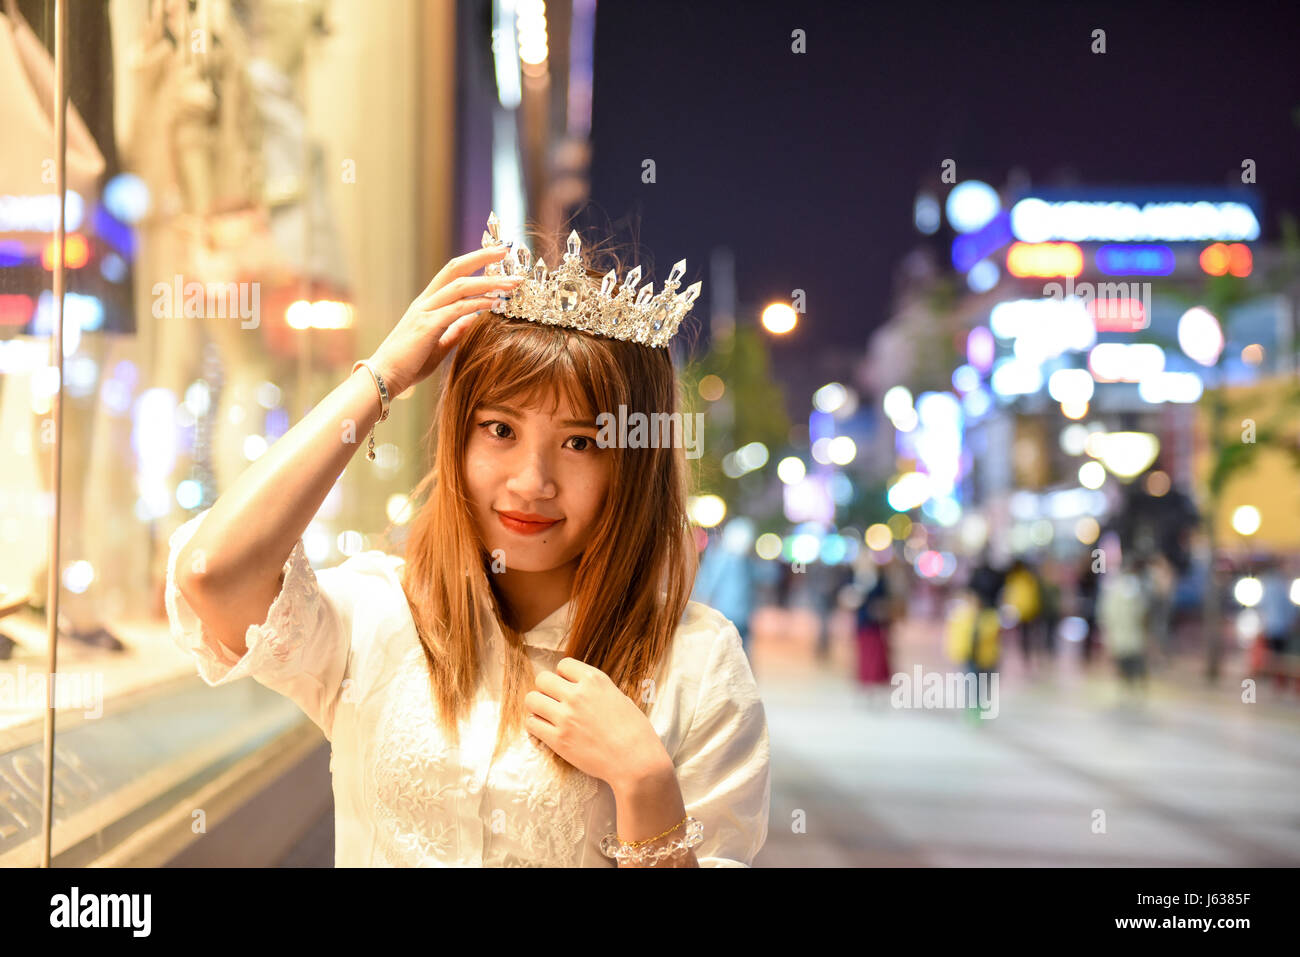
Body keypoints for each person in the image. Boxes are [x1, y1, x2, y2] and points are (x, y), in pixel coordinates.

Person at [165, 219, 771, 867]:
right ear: (458, 435)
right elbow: (214, 574)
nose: (532, 482)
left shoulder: (697, 666)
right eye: (500, 429)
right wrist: (383, 377)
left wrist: (646, 784)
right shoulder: (378, 616)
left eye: (580, 442)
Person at [692, 517, 758, 658]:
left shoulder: (745, 560)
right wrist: (703, 603)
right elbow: (710, 583)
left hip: (742, 614)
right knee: (728, 650)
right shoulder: (724, 558)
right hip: (727, 612)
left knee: (740, 649)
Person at [1098, 558, 1149, 704]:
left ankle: (1129, 686)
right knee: (1130, 658)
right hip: (1127, 631)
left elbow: (1106, 610)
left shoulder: (1115, 585)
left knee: (1127, 658)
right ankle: (1131, 686)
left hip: (1123, 631)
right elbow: (1139, 609)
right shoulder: (1130, 585)